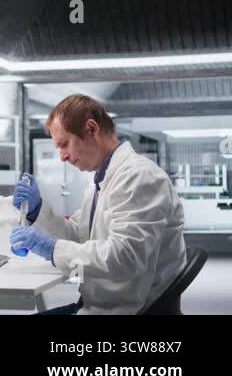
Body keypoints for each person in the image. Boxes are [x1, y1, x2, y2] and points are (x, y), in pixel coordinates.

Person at [10, 94, 186, 315]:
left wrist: (51, 247)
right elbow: (77, 235)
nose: (62, 157)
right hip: (98, 305)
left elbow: (125, 257)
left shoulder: (141, 177)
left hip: (125, 311)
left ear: (91, 129)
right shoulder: (101, 181)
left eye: (64, 144)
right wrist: (38, 211)